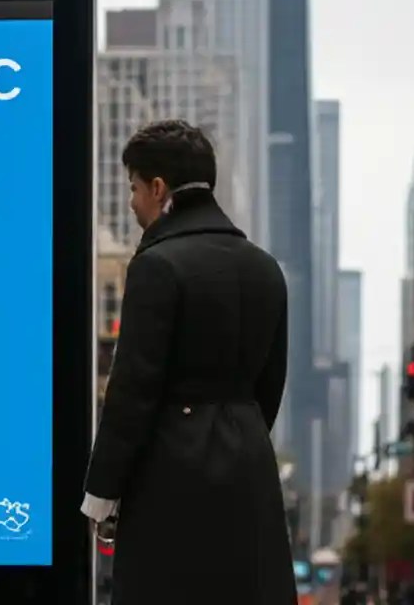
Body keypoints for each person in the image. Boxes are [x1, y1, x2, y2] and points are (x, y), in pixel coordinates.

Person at [82, 120, 296, 604]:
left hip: (170, 472)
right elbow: (271, 384)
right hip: (250, 467)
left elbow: (133, 389)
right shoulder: (265, 268)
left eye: (135, 188)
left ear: (159, 189)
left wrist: (101, 495)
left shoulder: (157, 264)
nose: (134, 203)